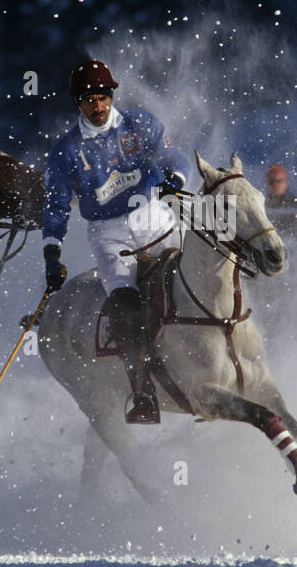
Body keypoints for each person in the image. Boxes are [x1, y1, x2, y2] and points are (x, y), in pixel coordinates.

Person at [42, 59, 189, 425]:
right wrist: (51, 253)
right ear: (78, 103)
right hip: (109, 233)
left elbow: (174, 158)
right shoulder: (66, 151)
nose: (98, 106)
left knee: (194, 275)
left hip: (153, 217)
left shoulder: (140, 124)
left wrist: (175, 179)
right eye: (88, 100)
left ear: (111, 96)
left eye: (103, 97)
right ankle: (142, 393)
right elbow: (56, 205)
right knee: (125, 303)